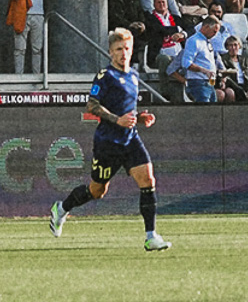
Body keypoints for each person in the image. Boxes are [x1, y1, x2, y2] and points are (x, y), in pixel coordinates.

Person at [48, 27, 170, 251]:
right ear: (111, 52)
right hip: (108, 143)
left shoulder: (133, 75)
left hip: (130, 139)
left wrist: (139, 118)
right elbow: (92, 105)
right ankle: (62, 208)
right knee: (97, 191)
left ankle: (151, 236)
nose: (124, 53)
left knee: (148, 180)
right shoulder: (105, 76)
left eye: (127, 48)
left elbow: (127, 109)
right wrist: (117, 120)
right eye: (119, 49)